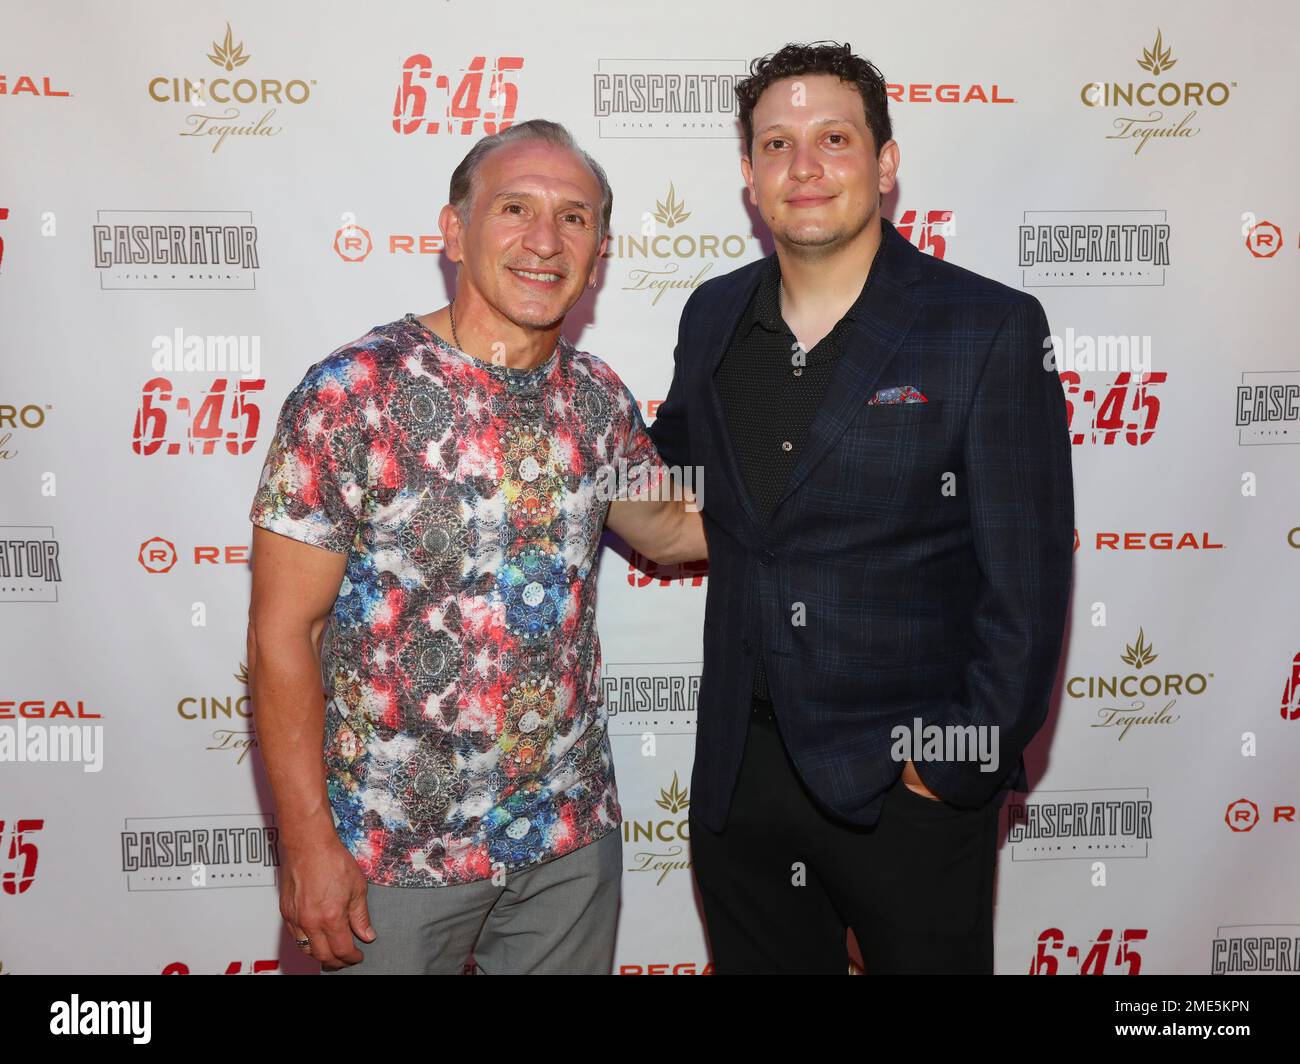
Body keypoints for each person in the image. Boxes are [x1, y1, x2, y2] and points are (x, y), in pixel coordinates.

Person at [648, 41, 1074, 974]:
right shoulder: (712, 315)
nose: (804, 168)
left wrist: (946, 776)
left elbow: (1029, 591)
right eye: (775, 145)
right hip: (741, 782)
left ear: (884, 165)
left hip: (905, 792)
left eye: (834, 139)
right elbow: (677, 479)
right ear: (750, 176)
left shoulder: (987, 328)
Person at [246, 119, 705, 974]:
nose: (544, 240)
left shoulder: (598, 401)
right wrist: (307, 842)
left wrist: (836, 496)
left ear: (599, 251)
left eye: (574, 218)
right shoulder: (353, 394)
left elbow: (675, 526)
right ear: (454, 231)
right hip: (387, 861)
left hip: (568, 846)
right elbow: (284, 634)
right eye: (515, 208)